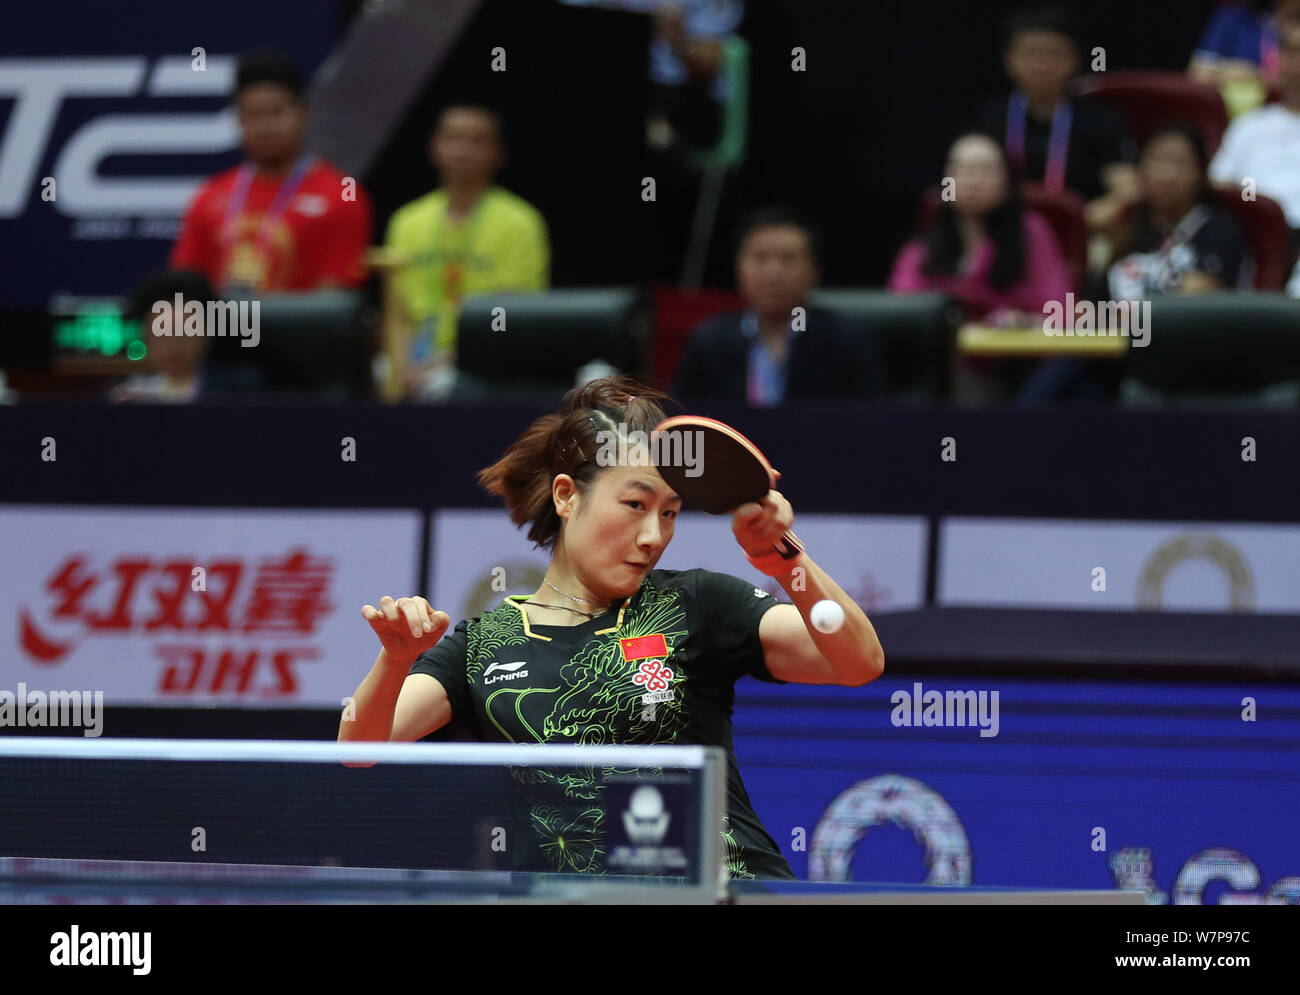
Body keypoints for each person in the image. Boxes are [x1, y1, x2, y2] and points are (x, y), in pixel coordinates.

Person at [339, 376, 885, 880]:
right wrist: (396, 658)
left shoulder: (696, 603)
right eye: (634, 504)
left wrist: (785, 562)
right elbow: (358, 749)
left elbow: (858, 662)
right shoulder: (484, 644)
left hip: (723, 891)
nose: (653, 535)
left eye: (669, 513)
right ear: (566, 496)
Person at [170, 50, 372, 295]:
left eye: (276, 112)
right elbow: (185, 292)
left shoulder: (341, 196)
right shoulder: (209, 196)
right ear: (238, 120)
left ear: (304, 113)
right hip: (224, 331)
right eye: (253, 115)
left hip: (303, 333)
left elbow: (335, 303)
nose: (265, 125)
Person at [384, 104, 550, 401]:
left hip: (482, 363)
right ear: (434, 147)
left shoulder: (520, 221)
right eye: (453, 138)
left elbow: (515, 316)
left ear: (499, 154)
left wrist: (445, 362)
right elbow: (398, 312)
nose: (463, 150)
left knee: (444, 388)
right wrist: (401, 367)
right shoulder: (407, 220)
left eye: (477, 141)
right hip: (415, 355)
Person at [672, 206, 883, 403]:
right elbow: (684, 422)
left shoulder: (847, 341)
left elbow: (869, 421)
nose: (773, 274)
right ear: (739, 267)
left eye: (789, 259)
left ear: (815, 271)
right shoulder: (709, 341)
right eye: (760, 258)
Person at [972, 4, 1139, 234]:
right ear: (1009, 59)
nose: (1042, 65)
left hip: (1079, 234)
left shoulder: (1102, 121)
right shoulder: (992, 117)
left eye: (1053, 54)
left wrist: (1079, 222)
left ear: (1075, 59)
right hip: (1005, 233)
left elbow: (1127, 191)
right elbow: (963, 183)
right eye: (1031, 54)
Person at [889, 133, 1071, 323]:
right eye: (961, 169)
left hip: (1010, 349)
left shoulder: (1032, 233)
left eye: (986, 170)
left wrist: (1026, 321)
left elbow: (1061, 312)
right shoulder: (923, 246)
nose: (973, 181)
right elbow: (900, 312)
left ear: (1007, 182)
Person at [1108, 123, 1250, 300]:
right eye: (1155, 160)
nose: (1165, 174)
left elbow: (1199, 300)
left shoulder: (1220, 231)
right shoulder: (1126, 225)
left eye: (1180, 163)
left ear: (1201, 174)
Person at [1210, 20, 1300, 253]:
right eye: (1293, 52)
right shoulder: (1249, 125)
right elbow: (1219, 183)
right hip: (1255, 238)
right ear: (1278, 59)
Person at [109, 269, 216, 403]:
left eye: (184, 335)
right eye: (161, 335)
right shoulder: (127, 396)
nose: (171, 346)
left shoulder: (230, 395)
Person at [1189, 0, 1300, 116]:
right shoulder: (1231, 19)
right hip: (1241, 116)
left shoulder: (1291, 26)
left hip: (1291, 111)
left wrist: (1258, 75)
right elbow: (1199, 74)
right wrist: (1245, 72)